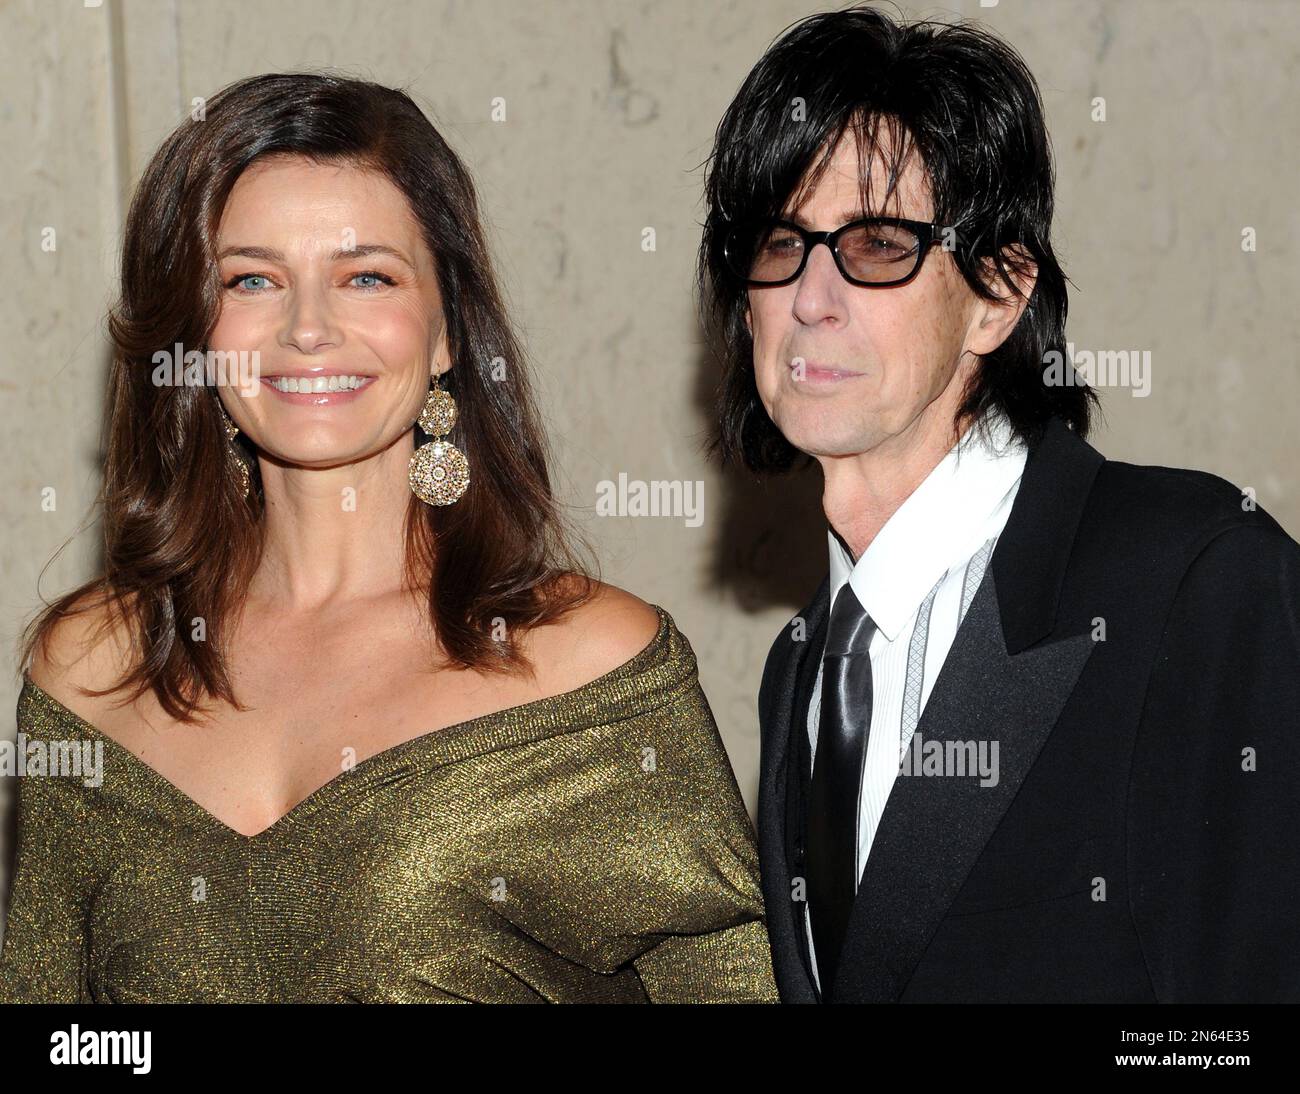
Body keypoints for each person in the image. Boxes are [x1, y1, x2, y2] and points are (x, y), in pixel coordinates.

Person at [0, 72, 778, 1003]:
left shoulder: (592, 670)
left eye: (365, 276)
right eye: (252, 279)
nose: (309, 328)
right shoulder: (88, 671)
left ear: (447, 328)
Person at [696, 6, 1300, 1002]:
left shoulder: (1192, 577)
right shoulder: (800, 664)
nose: (811, 296)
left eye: (877, 244)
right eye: (778, 242)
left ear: (999, 291)